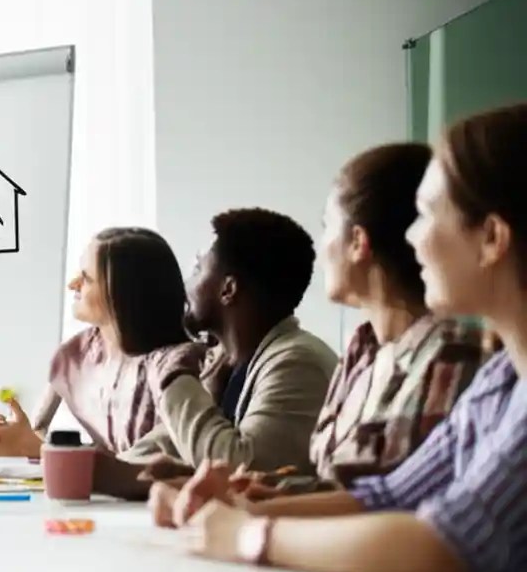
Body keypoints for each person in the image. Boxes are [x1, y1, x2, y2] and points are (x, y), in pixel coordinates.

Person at [151, 102, 527, 572]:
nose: (412, 237)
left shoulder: (468, 362)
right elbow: (389, 495)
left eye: (429, 215)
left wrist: (251, 534)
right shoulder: (502, 377)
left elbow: (449, 543)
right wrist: (243, 510)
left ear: (493, 238)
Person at [147, 145, 488, 496]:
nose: (323, 248)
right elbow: (340, 489)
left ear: (357, 242)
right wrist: (246, 488)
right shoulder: (362, 352)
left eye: (328, 226)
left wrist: (253, 511)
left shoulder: (450, 356)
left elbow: (395, 507)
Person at [0, 227, 206, 498]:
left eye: (86, 278)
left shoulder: (183, 366)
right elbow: (37, 433)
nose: (72, 284)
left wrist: (36, 449)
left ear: (123, 291)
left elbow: (158, 462)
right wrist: (10, 438)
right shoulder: (72, 356)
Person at [137, 208, 339, 477]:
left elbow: (241, 467)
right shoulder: (229, 368)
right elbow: (168, 447)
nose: (187, 285)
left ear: (228, 289)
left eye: (198, 269)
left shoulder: (299, 363)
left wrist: (174, 376)